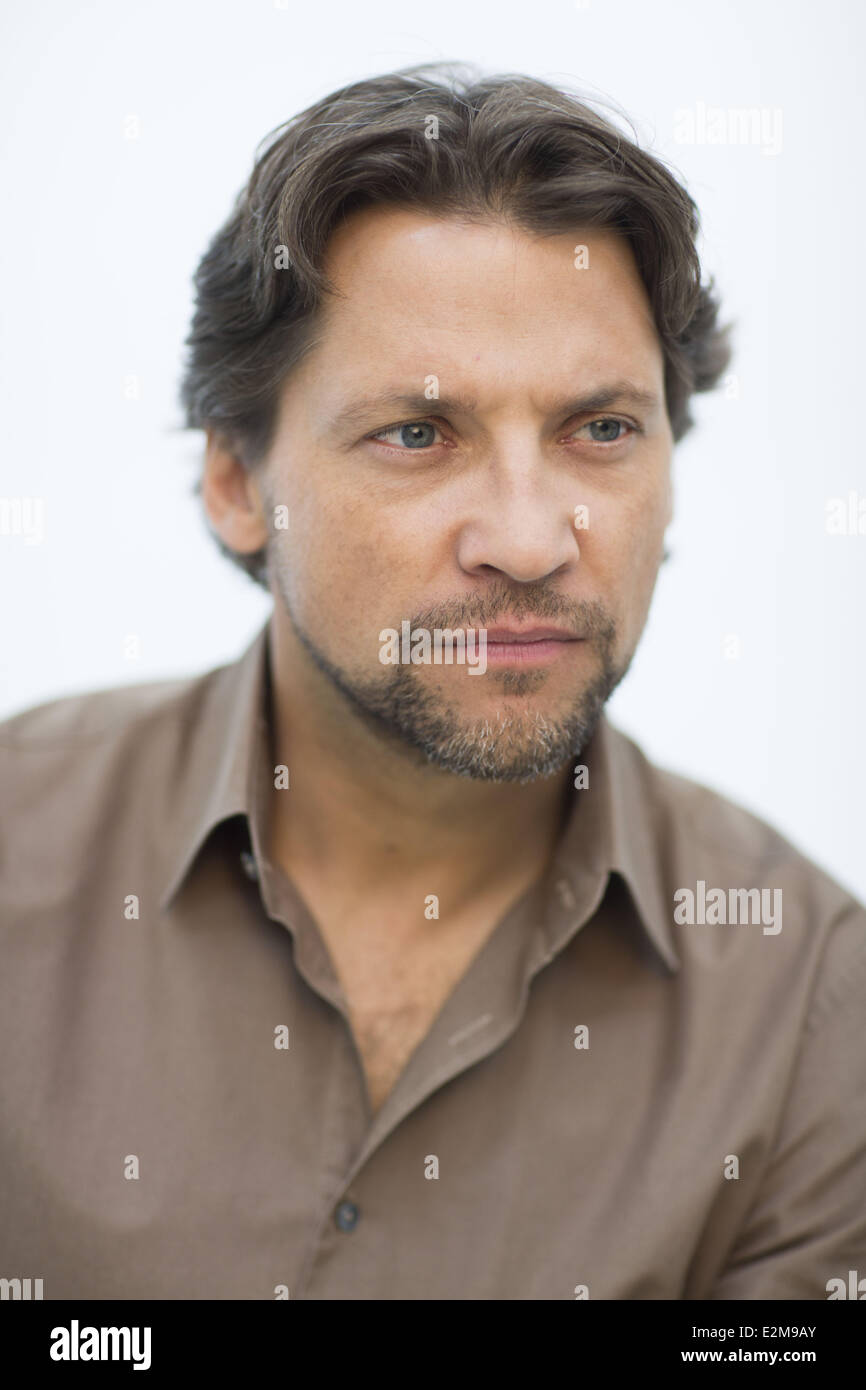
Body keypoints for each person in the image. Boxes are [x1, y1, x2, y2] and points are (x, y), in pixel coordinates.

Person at [1, 64, 863, 1302]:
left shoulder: (812, 1016)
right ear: (238, 484)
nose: (526, 538)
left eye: (599, 429)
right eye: (416, 434)